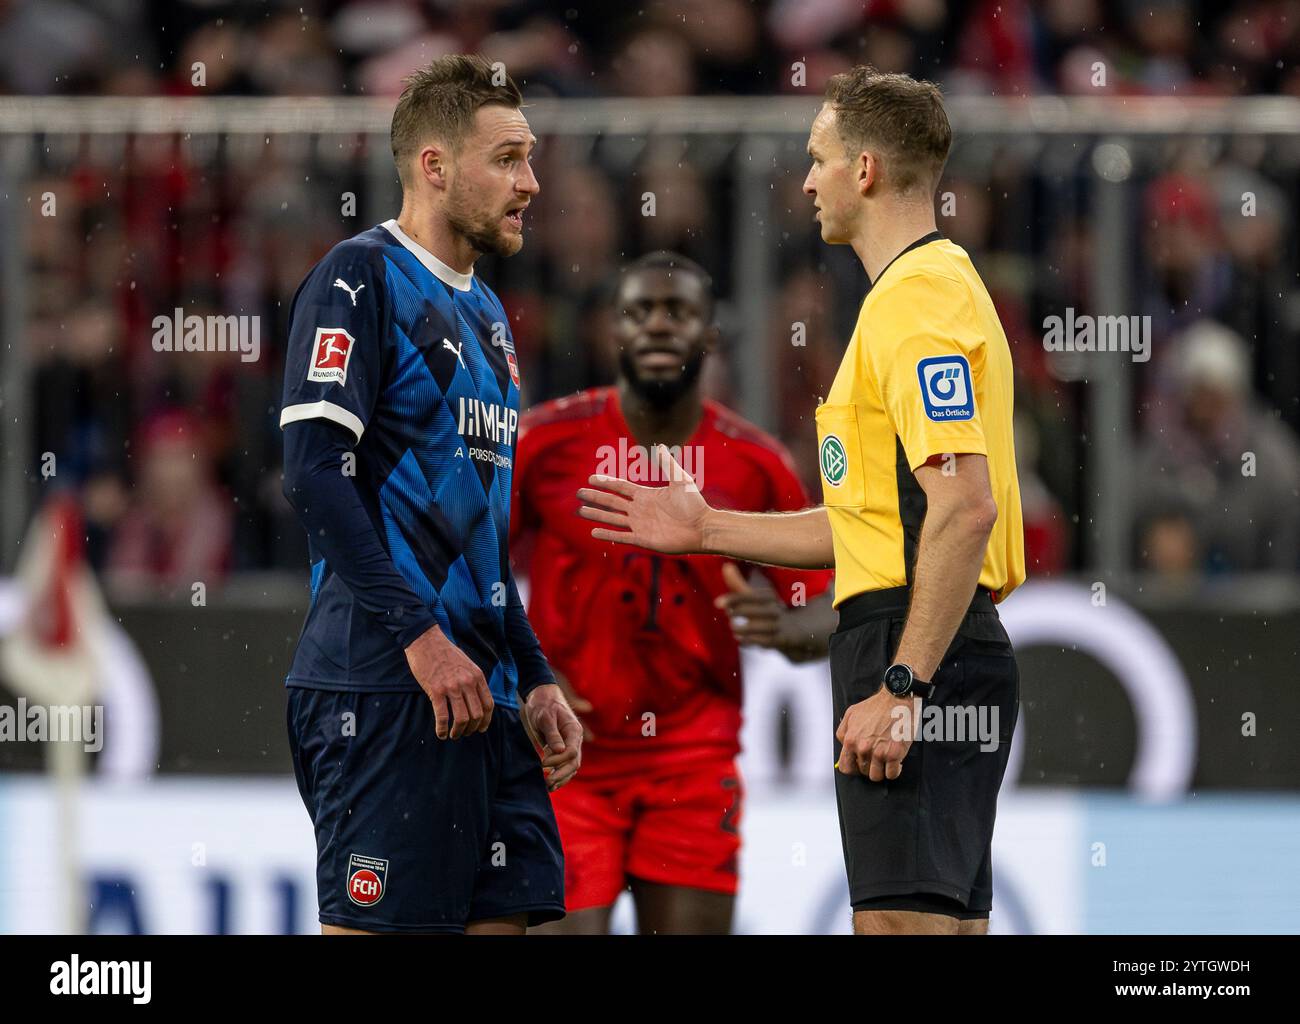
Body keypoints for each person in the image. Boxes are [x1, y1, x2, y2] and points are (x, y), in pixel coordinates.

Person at [578, 66, 1026, 935]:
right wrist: (709, 527)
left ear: (864, 170)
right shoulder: (925, 294)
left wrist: (903, 683)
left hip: (914, 639)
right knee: (941, 925)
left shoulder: (915, 303)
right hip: (935, 634)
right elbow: (879, 520)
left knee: (901, 926)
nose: (808, 179)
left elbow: (966, 508)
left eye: (818, 158)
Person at [278, 54, 581, 935]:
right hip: (382, 686)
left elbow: (478, 535)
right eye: (509, 159)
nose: (532, 181)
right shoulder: (357, 279)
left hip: (482, 693)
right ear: (434, 165)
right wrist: (421, 639)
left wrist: (532, 674)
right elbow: (311, 476)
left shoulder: (489, 316)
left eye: (530, 159)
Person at [512, 251, 833, 934]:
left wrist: (788, 625)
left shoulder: (756, 464)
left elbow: (830, 611)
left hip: (694, 764)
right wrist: (524, 677)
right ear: (612, 332)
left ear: (711, 334)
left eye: (679, 311)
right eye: (639, 312)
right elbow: (468, 576)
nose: (659, 326)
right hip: (570, 757)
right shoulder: (544, 442)